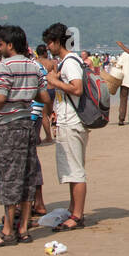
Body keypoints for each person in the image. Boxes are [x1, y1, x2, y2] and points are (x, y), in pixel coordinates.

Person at [0, 26, 49, 246]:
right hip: (27, 124)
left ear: (9, 45)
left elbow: (1, 96)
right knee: (27, 176)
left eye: (1, 44)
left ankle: (8, 229)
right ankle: (23, 229)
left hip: (8, 126)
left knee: (9, 177)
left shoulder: (4, 66)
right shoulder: (34, 65)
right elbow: (44, 96)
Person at [43, 23, 88, 232]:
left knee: (75, 170)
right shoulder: (69, 61)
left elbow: (77, 89)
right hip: (69, 120)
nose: (48, 47)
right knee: (72, 169)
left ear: (57, 41)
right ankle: (73, 210)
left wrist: (54, 80)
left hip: (72, 122)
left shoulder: (70, 62)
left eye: (50, 42)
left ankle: (77, 215)